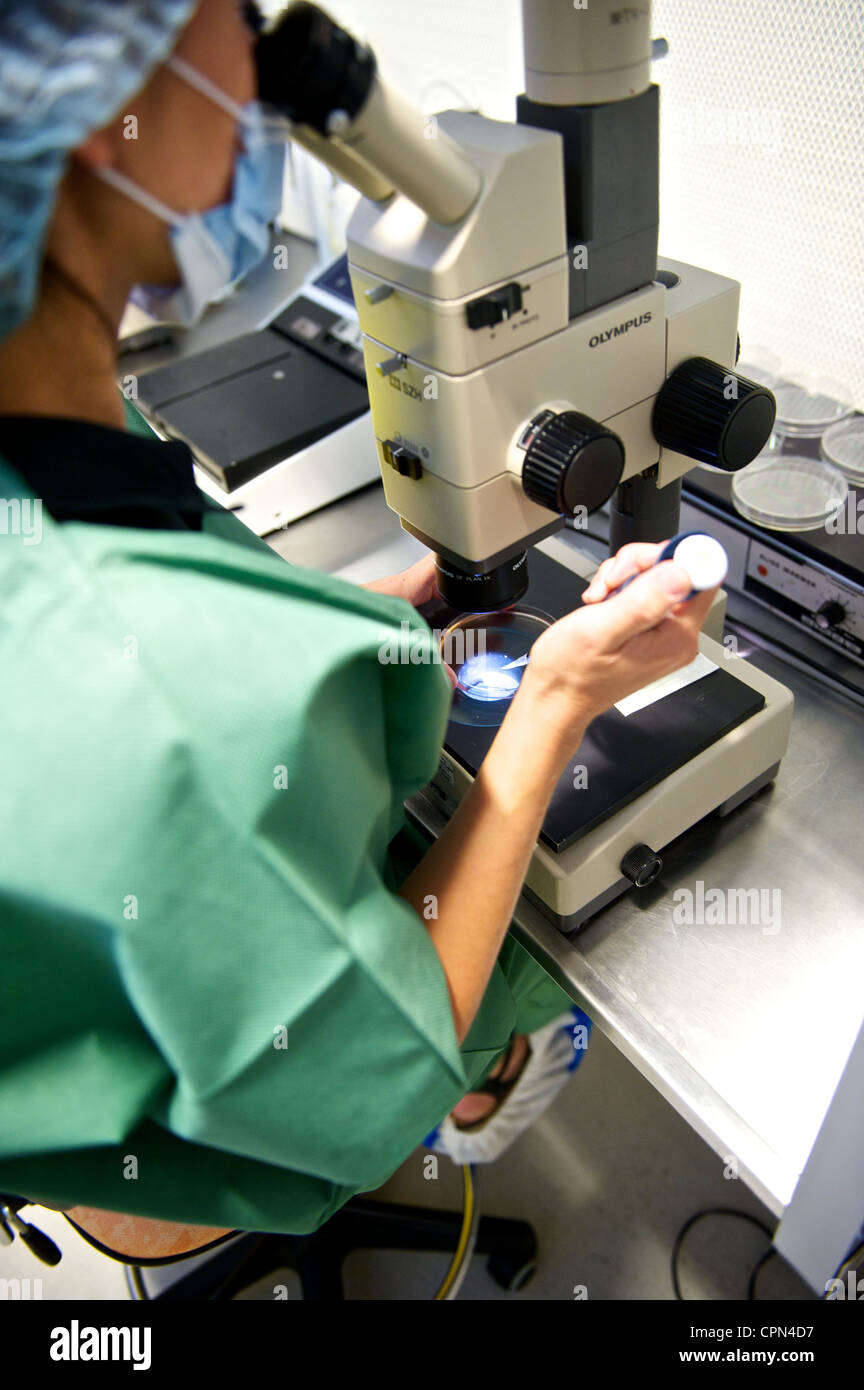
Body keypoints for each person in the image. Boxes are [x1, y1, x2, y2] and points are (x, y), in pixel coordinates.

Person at [0, 0, 716, 1239]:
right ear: (97, 118)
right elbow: (380, 1074)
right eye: (233, 18)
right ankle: (497, 1092)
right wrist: (555, 699)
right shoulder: (153, 713)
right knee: (508, 999)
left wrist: (397, 598)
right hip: (179, 1143)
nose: (261, 61)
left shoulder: (59, 423)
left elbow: (164, 564)